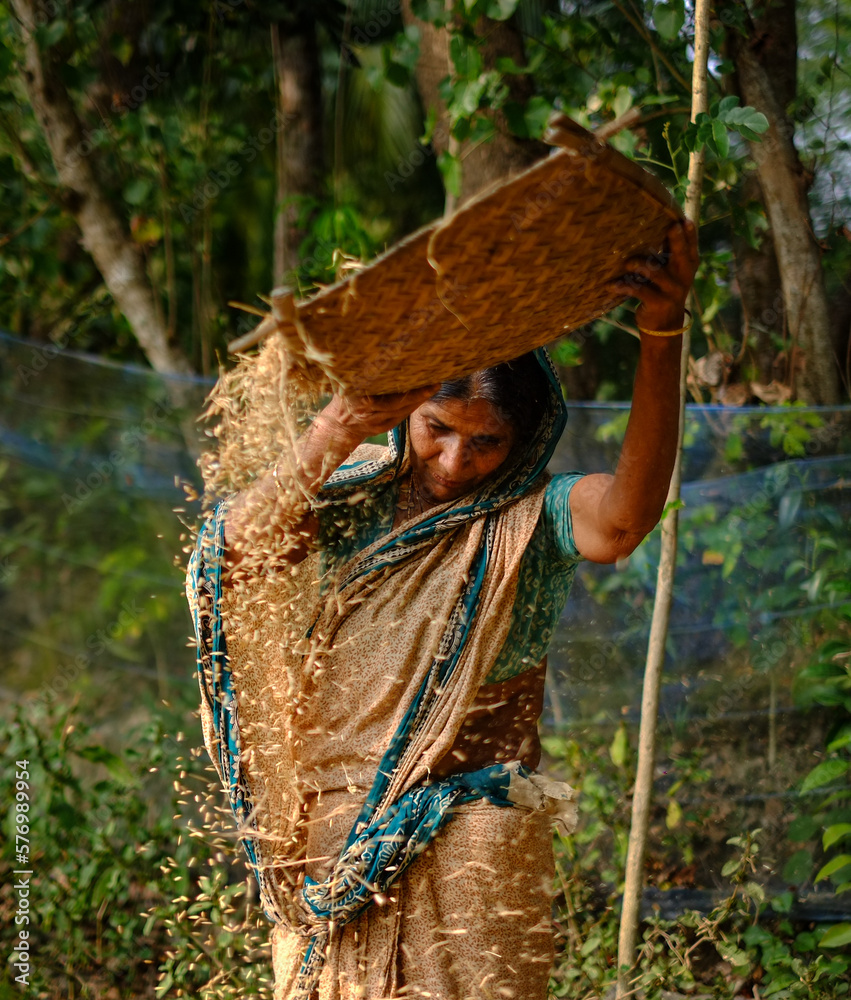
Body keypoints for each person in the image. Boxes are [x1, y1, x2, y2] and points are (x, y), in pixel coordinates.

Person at [186, 219, 699, 1000]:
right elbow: (234, 551)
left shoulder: (532, 517)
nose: (455, 462)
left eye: (486, 443)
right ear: (407, 415)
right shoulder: (345, 492)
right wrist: (339, 423)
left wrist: (660, 338)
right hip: (328, 838)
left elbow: (624, 519)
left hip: (470, 840)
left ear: (525, 441)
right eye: (437, 430)